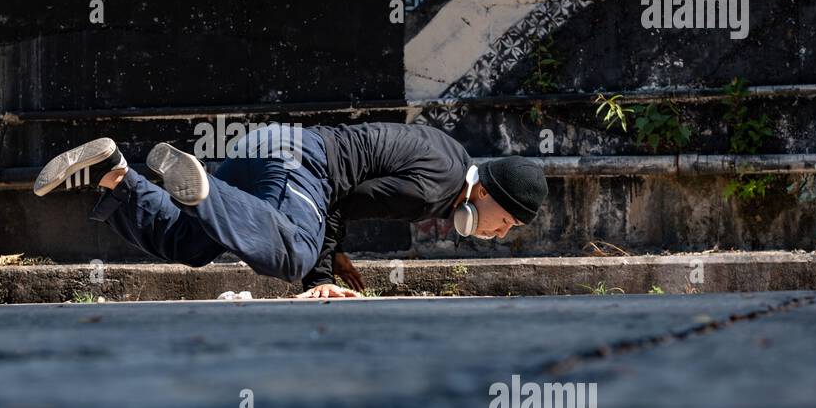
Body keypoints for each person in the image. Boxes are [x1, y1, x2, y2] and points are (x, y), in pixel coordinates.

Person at [33, 122, 548, 298]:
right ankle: (206, 188)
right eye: (506, 222)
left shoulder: (450, 155)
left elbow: (340, 206)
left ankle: (115, 172)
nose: (499, 234)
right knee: (296, 254)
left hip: (273, 149)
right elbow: (338, 199)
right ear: (488, 195)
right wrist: (319, 275)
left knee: (190, 244)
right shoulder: (436, 189)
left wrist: (336, 255)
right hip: (299, 161)